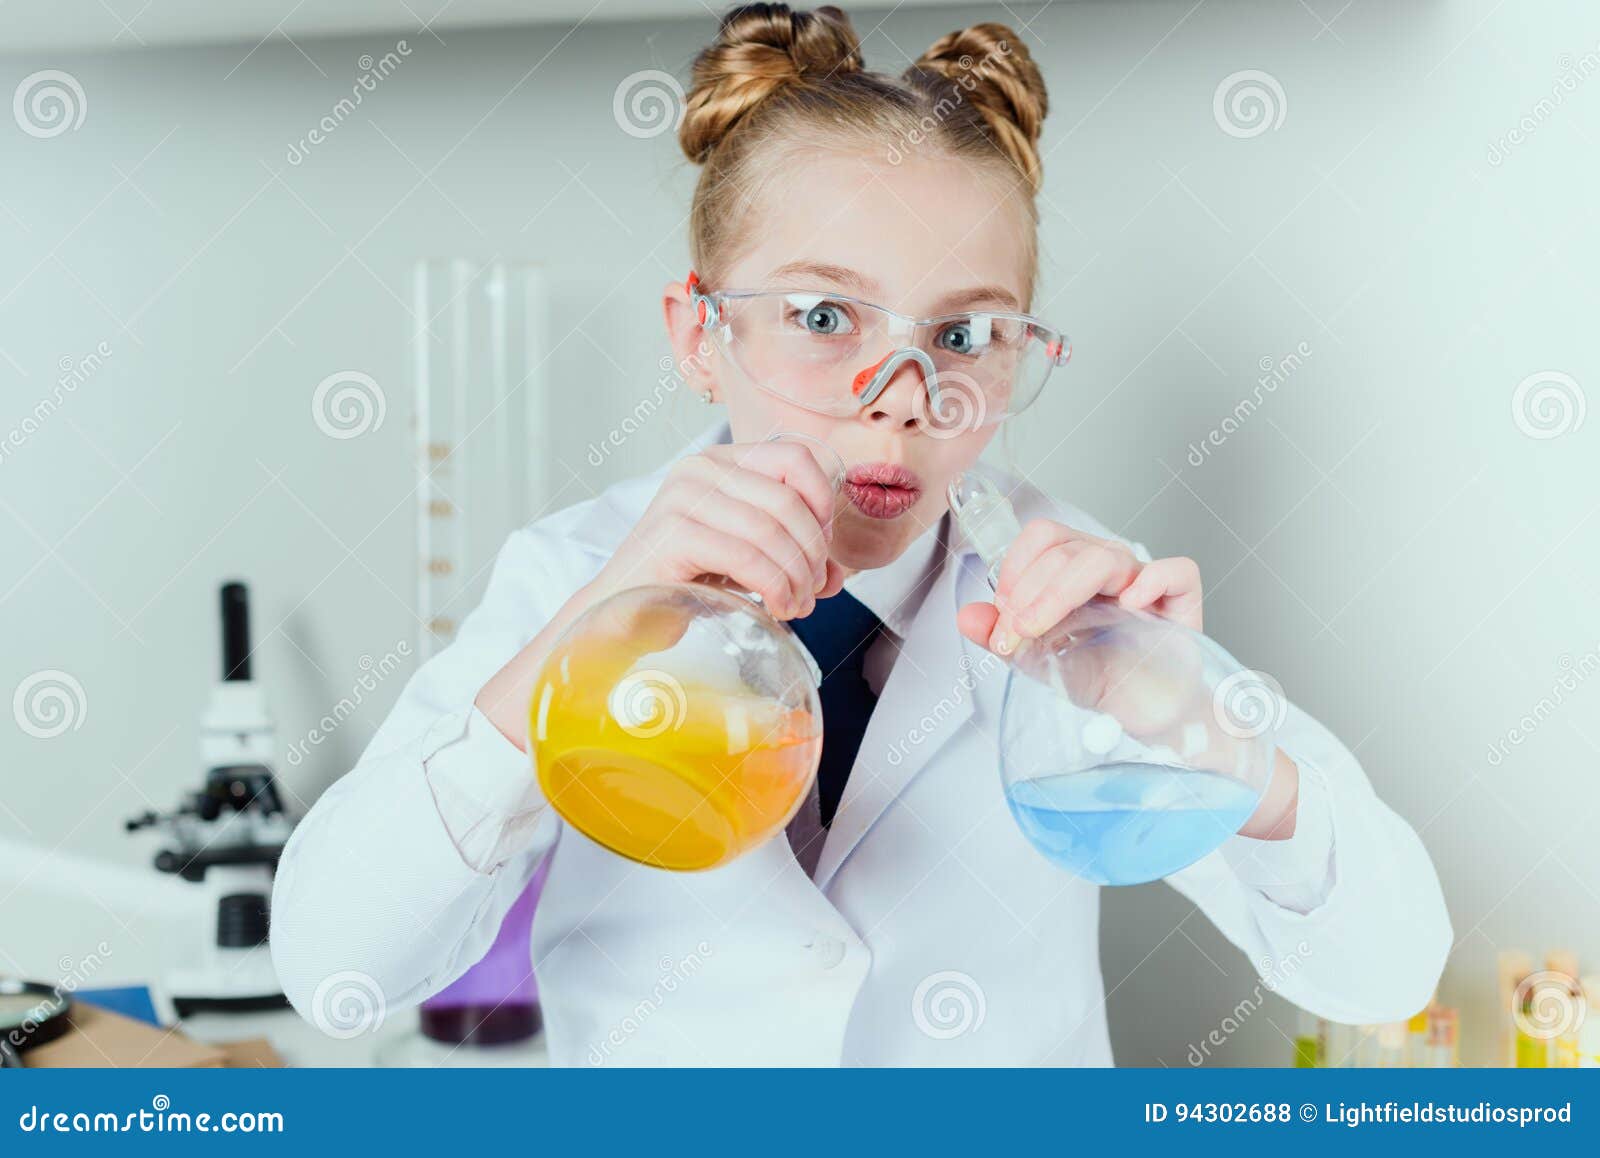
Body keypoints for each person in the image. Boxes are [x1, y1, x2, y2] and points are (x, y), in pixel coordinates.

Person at [271, 4, 1450, 1066]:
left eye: (964, 334)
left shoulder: (1074, 589)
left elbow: (1384, 975)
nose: (899, 394)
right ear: (697, 335)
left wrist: (1197, 731)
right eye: (825, 316)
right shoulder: (576, 575)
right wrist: (591, 634)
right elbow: (339, 972)